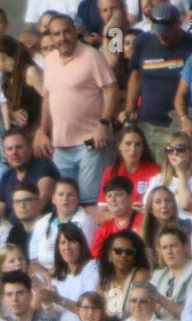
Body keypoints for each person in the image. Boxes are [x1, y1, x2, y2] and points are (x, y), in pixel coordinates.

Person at [33, 14, 118, 208]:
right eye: (56, 34)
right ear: (51, 37)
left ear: (75, 30)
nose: (62, 37)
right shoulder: (50, 60)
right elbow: (47, 97)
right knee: (64, 204)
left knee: (89, 200)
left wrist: (104, 123)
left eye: (66, 31)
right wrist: (42, 130)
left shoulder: (91, 55)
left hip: (90, 143)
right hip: (60, 146)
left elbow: (112, 90)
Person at [122, 3, 192, 158]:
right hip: (147, 123)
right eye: (158, 32)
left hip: (178, 125)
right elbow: (135, 75)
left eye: (166, 32)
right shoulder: (143, 41)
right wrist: (129, 108)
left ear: (179, 24)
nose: (161, 36)